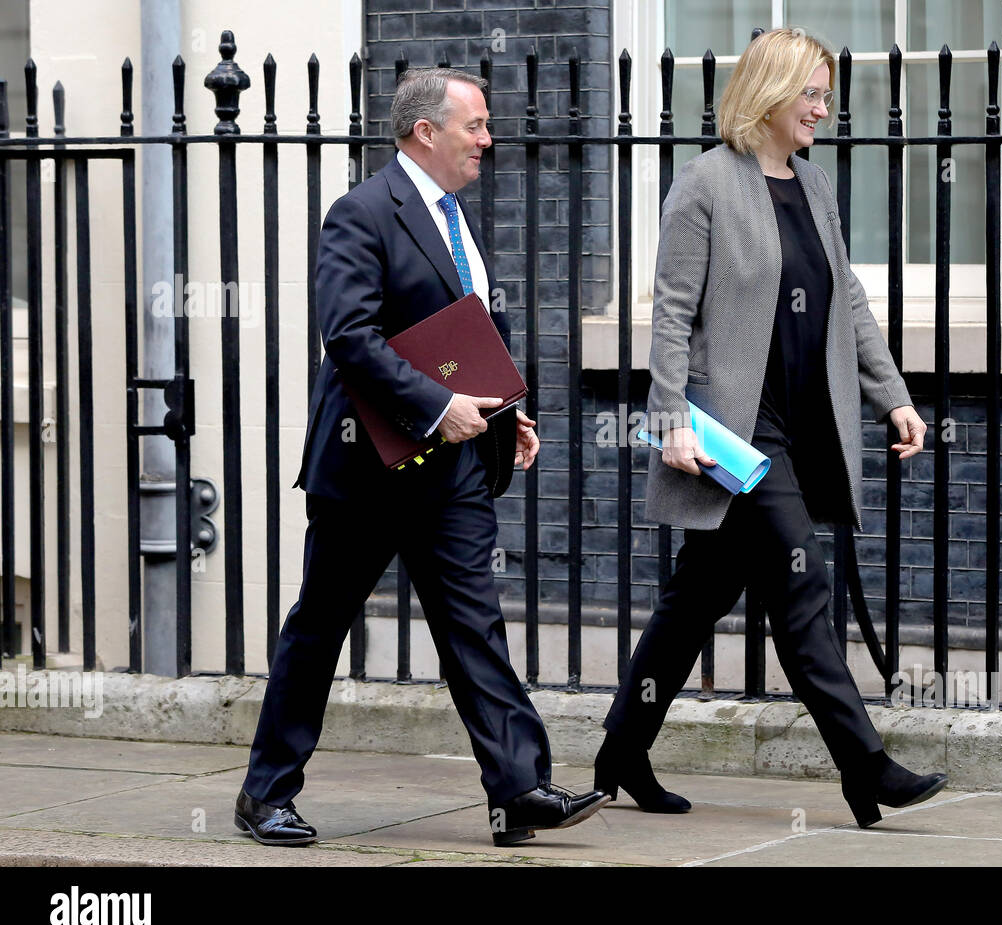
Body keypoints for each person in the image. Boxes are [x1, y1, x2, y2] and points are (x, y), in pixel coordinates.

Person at [235, 67, 607, 848]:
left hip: (451, 473)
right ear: (425, 131)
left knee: (475, 626)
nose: (488, 139)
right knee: (319, 630)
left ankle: (518, 791)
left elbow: (457, 341)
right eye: (474, 125)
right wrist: (439, 407)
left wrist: (504, 415)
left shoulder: (454, 218)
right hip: (366, 468)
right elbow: (351, 337)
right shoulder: (361, 213)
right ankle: (265, 794)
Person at [595, 28, 947, 828]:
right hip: (736, 436)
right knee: (802, 586)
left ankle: (621, 748)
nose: (824, 107)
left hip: (800, 420)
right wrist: (670, 419)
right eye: (811, 93)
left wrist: (893, 395)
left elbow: (848, 299)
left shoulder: (815, 187)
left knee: (696, 598)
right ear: (770, 95)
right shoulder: (705, 184)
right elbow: (672, 312)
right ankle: (866, 766)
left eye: (826, 93)